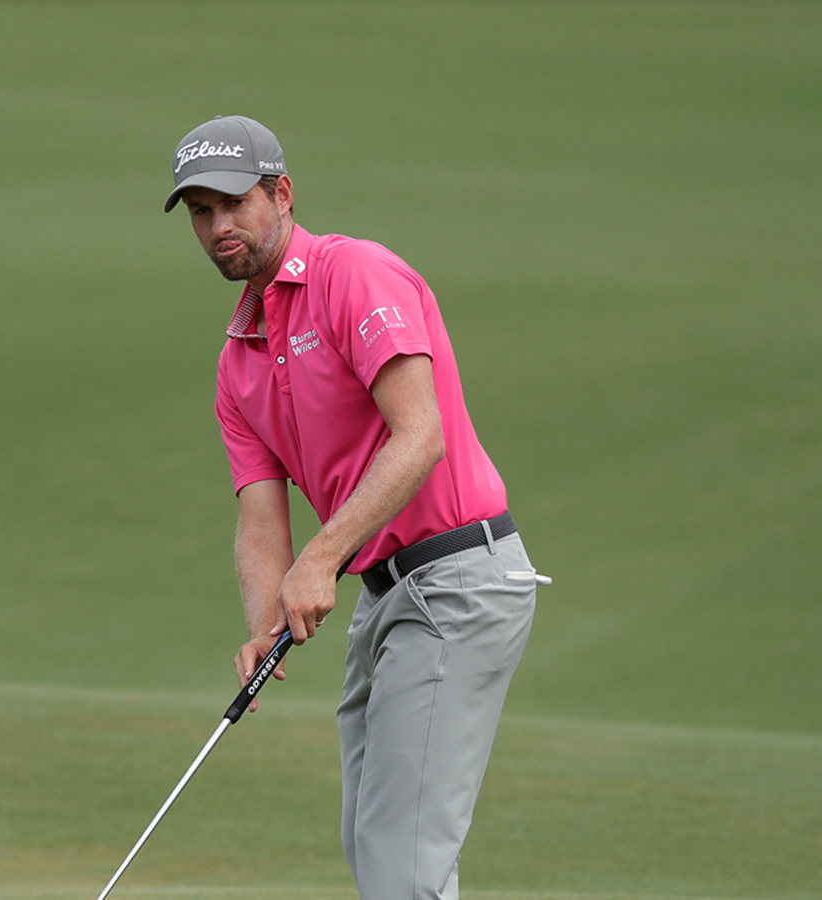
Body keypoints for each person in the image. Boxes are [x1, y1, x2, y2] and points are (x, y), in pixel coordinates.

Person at [163, 115, 543, 899]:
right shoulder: (239, 360)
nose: (218, 226)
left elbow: (420, 435)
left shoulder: (352, 275)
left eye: (234, 202)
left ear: (282, 194)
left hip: (457, 579)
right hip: (387, 596)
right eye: (201, 211)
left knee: (401, 867)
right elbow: (262, 518)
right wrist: (265, 621)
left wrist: (321, 559)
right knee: (375, 844)